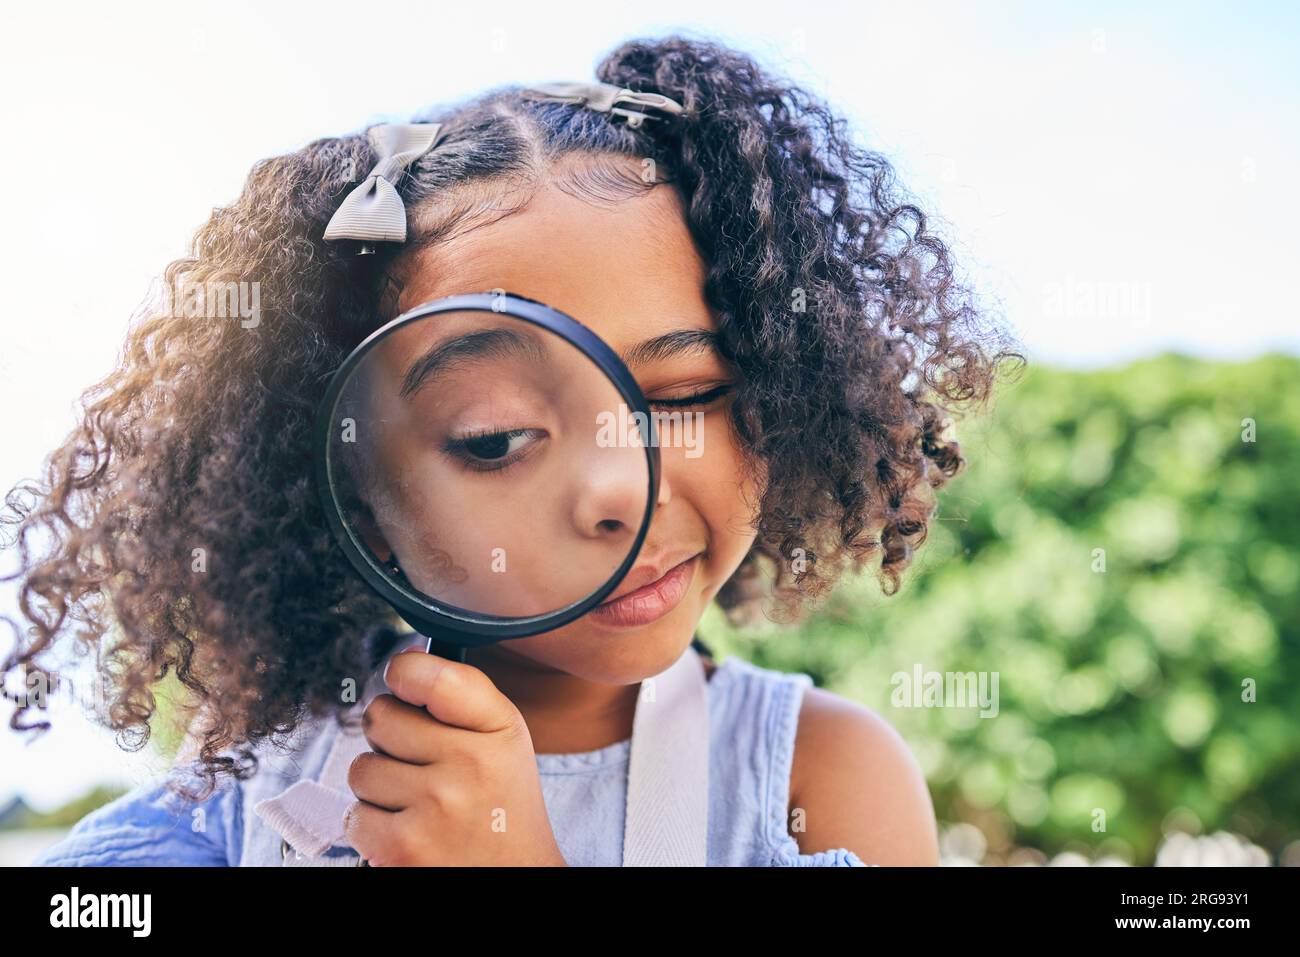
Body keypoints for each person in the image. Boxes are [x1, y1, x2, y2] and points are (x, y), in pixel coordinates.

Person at [11, 34, 1016, 867]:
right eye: (494, 439)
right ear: (358, 498)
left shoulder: (813, 779)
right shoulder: (247, 790)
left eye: (685, 393)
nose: (618, 489)